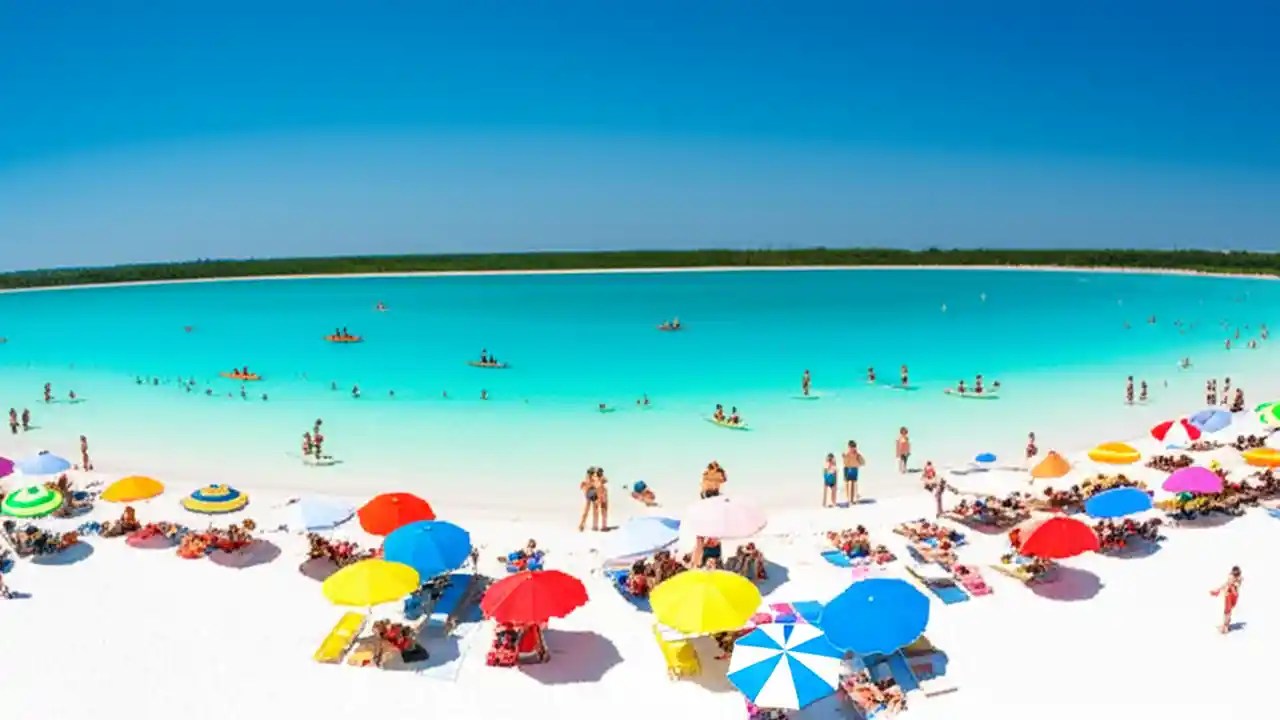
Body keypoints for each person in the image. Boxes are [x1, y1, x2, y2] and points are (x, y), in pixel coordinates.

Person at [1210, 566, 1243, 634]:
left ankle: (1225, 626)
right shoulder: (1232, 578)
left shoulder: (1238, 580)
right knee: (1227, 611)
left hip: (1232, 596)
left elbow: (1235, 591)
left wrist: (1232, 585)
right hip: (1229, 595)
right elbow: (1226, 584)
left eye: (1235, 574)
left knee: (1227, 611)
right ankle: (1225, 625)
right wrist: (1218, 589)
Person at [578, 468, 600, 532]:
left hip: (593, 495)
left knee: (593, 510)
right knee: (588, 511)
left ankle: (593, 525)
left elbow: (597, 487)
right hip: (590, 495)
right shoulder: (588, 481)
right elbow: (583, 487)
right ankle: (582, 524)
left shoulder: (593, 481)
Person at [842, 440, 864, 505]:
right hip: (848, 469)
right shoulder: (847, 454)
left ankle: (852, 499)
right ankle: (849, 499)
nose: (852, 448)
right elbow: (845, 463)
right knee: (848, 483)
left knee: (854, 483)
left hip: (854, 468)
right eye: (851, 447)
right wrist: (844, 457)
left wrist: (858, 462)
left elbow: (863, 462)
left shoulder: (857, 454)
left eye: (854, 447)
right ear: (848, 447)